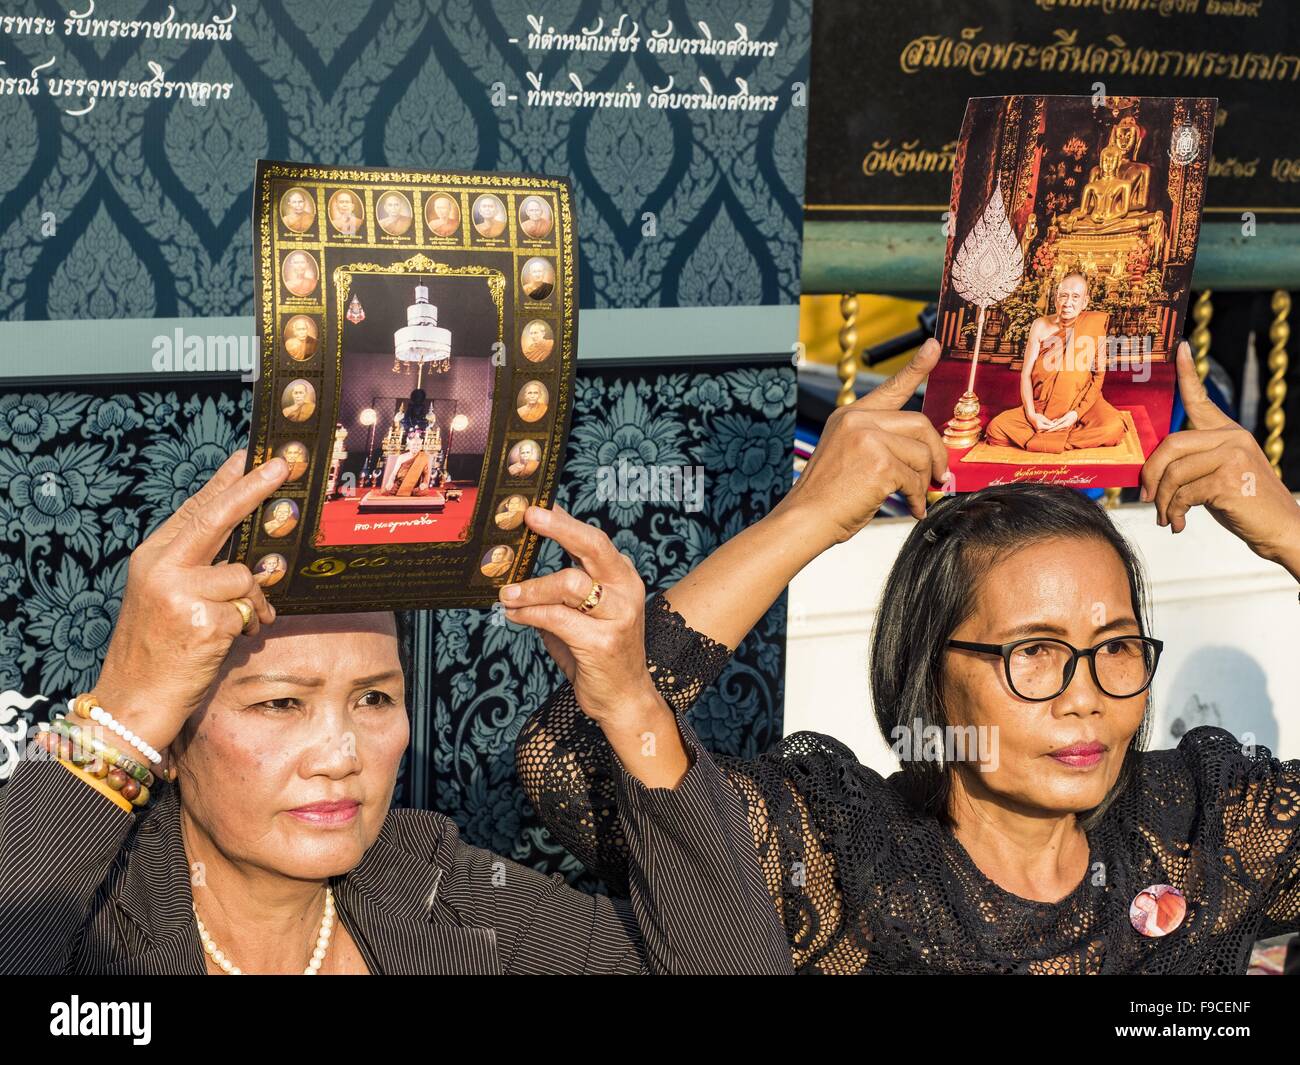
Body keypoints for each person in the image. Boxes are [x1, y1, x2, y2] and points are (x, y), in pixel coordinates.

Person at [512, 340, 1300, 974]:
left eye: (1116, 648)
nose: (1084, 696)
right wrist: (809, 514)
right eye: (1035, 651)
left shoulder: (1199, 832)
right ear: (930, 672)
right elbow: (572, 763)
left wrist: (1289, 531)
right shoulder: (841, 859)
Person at [0, 453, 790, 976]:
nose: (339, 751)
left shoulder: (440, 892)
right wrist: (120, 710)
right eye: (281, 702)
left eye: (375, 697)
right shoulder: (92, 918)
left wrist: (630, 704)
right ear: (169, 736)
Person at [984, 273, 1126, 453]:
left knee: (1113, 428)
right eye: (1063, 296)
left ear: (1084, 302)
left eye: (1075, 297)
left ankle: (1050, 439)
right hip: (1041, 404)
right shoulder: (1040, 325)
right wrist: (1031, 415)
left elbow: (1098, 377)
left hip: (1082, 403)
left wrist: (1076, 414)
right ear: (1056, 297)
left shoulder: (1093, 326)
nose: (1068, 303)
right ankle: (1057, 433)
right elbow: (1026, 374)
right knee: (996, 429)